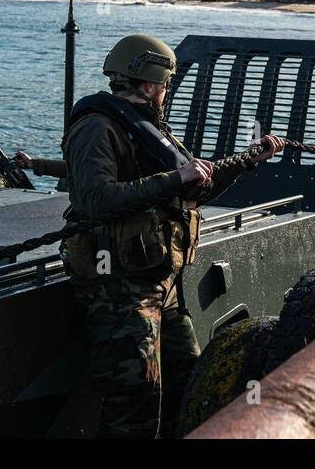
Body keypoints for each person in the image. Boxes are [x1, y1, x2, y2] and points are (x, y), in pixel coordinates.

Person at [61, 33, 283, 437]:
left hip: (162, 281)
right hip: (119, 286)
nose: (166, 92)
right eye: (165, 84)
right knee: (137, 400)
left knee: (190, 380)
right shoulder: (97, 128)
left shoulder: (145, 127)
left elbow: (191, 192)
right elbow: (95, 199)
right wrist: (174, 176)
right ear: (149, 83)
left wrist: (245, 162)